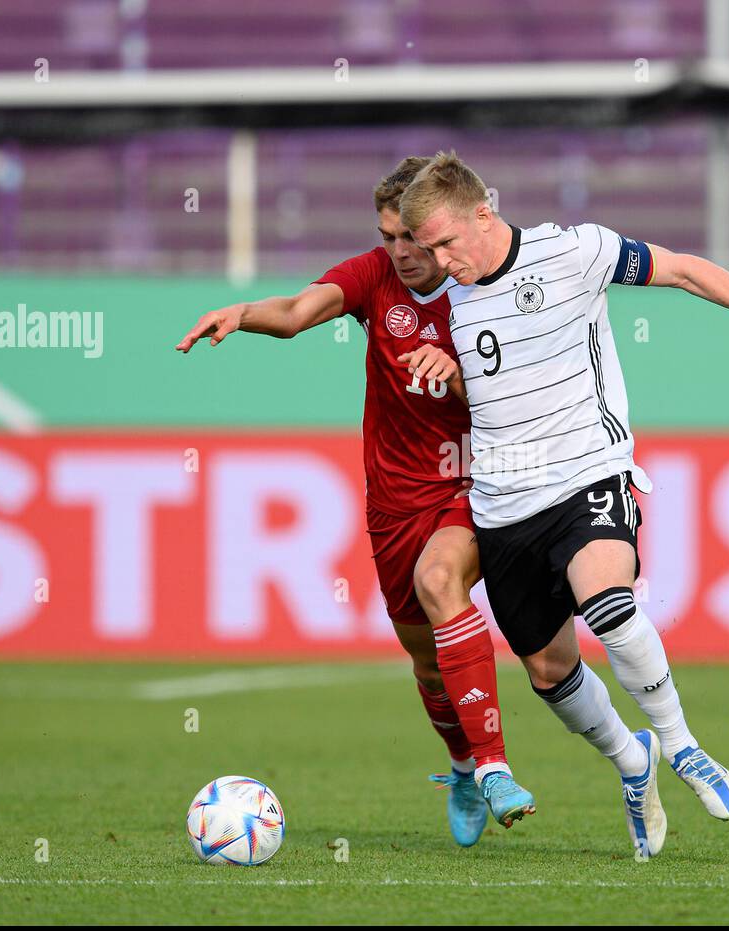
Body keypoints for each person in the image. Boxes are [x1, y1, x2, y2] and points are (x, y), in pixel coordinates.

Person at [398, 151, 729, 856]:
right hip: (501, 504)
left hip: (589, 475)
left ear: (482, 213)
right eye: (422, 247)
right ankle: (632, 760)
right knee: (549, 671)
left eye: (442, 243)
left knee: (607, 595)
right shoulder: (445, 294)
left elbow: (682, 268)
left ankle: (683, 747)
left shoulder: (573, 251)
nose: (435, 259)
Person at [175, 156, 535, 844]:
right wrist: (243, 313)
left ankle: (493, 766)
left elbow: (521, 396)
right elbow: (295, 313)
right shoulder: (373, 277)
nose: (401, 252)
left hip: (478, 484)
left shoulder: (485, 285)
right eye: (389, 235)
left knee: (441, 579)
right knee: (425, 658)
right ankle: (461, 764)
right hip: (395, 501)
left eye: (413, 239)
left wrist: (461, 379)